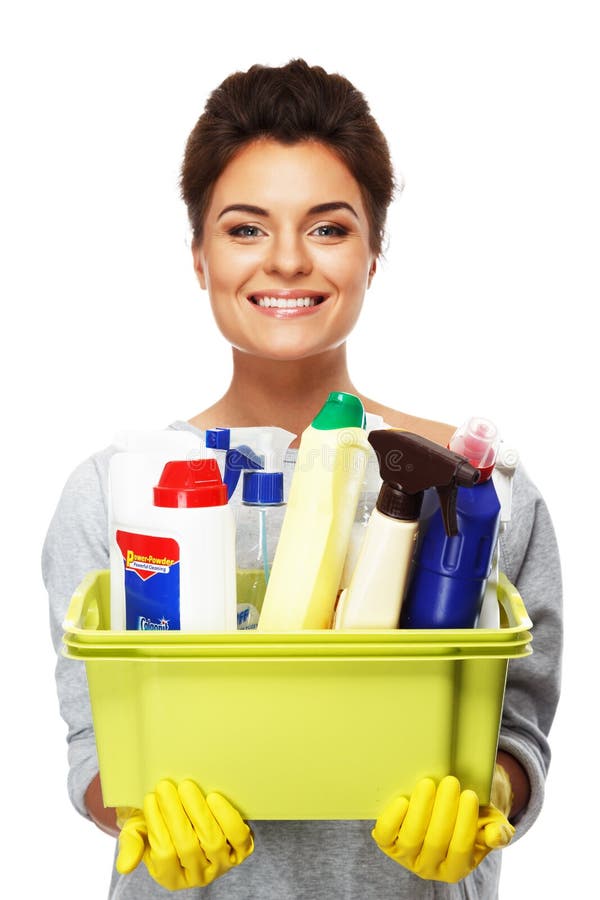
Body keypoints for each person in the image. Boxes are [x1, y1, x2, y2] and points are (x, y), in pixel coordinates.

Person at [43, 59, 562, 898]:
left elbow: (523, 734)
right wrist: (134, 806)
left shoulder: (482, 488)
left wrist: (490, 792)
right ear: (198, 255)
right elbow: (91, 751)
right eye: (245, 229)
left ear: (374, 252)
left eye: (328, 228)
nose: (286, 262)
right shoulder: (116, 491)